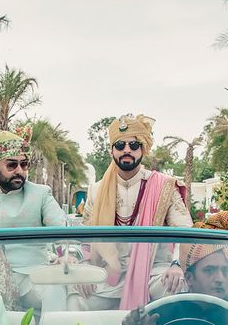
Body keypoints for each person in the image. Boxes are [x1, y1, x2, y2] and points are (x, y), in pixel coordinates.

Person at [77, 113, 192, 309]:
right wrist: (85, 269)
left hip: (154, 272)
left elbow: (186, 232)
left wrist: (176, 265)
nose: (127, 150)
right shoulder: (97, 190)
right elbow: (86, 239)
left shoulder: (164, 186)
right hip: (110, 274)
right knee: (73, 292)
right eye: (120, 146)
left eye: (134, 145)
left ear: (143, 149)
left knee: (178, 287)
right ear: (111, 150)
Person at [0, 125, 66, 309]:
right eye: (11, 165)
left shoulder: (40, 194)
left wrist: (66, 255)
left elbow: (64, 233)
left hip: (33, 274)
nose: (19, 170)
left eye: (24, 164)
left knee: (56, 290)